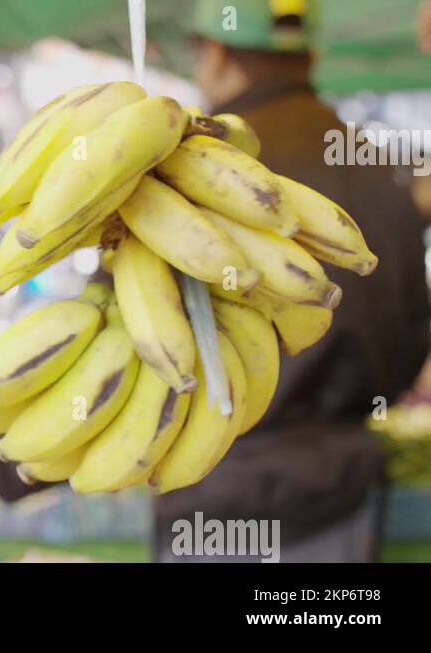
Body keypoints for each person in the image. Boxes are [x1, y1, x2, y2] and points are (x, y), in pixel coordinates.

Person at [152, 0, 431, 562]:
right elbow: (409, 331)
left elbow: (135, 331)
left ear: (216, 54)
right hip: (339, 497)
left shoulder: (187, 172)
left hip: (211, 499)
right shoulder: (373, 164)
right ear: (313, 56)